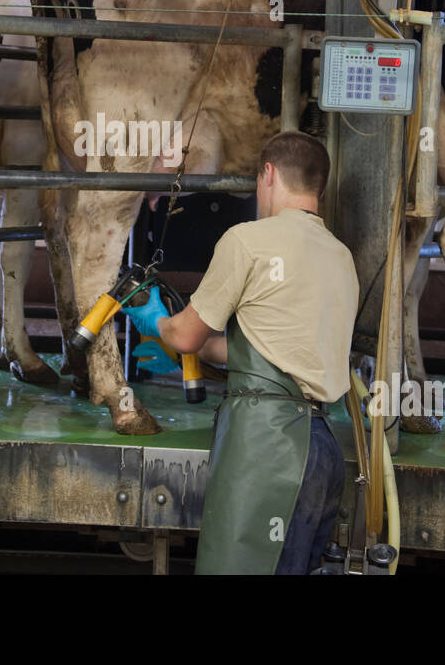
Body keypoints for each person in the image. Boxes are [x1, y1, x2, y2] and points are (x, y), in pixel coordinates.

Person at [123, 131, 359, 574]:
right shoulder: (340, 256)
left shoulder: (248, 240)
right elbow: (262, 348)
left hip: (268, 446)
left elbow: (188, 336)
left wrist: (157, 322)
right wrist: (193, 350)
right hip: (323, 449)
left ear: (267, 174)